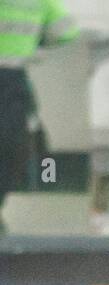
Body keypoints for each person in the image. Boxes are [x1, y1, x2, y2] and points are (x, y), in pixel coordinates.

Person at [0, 0, 78, 216]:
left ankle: (46, 177)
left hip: (11, 79)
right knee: (11, 142)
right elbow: (66, 31)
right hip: (13, 78)